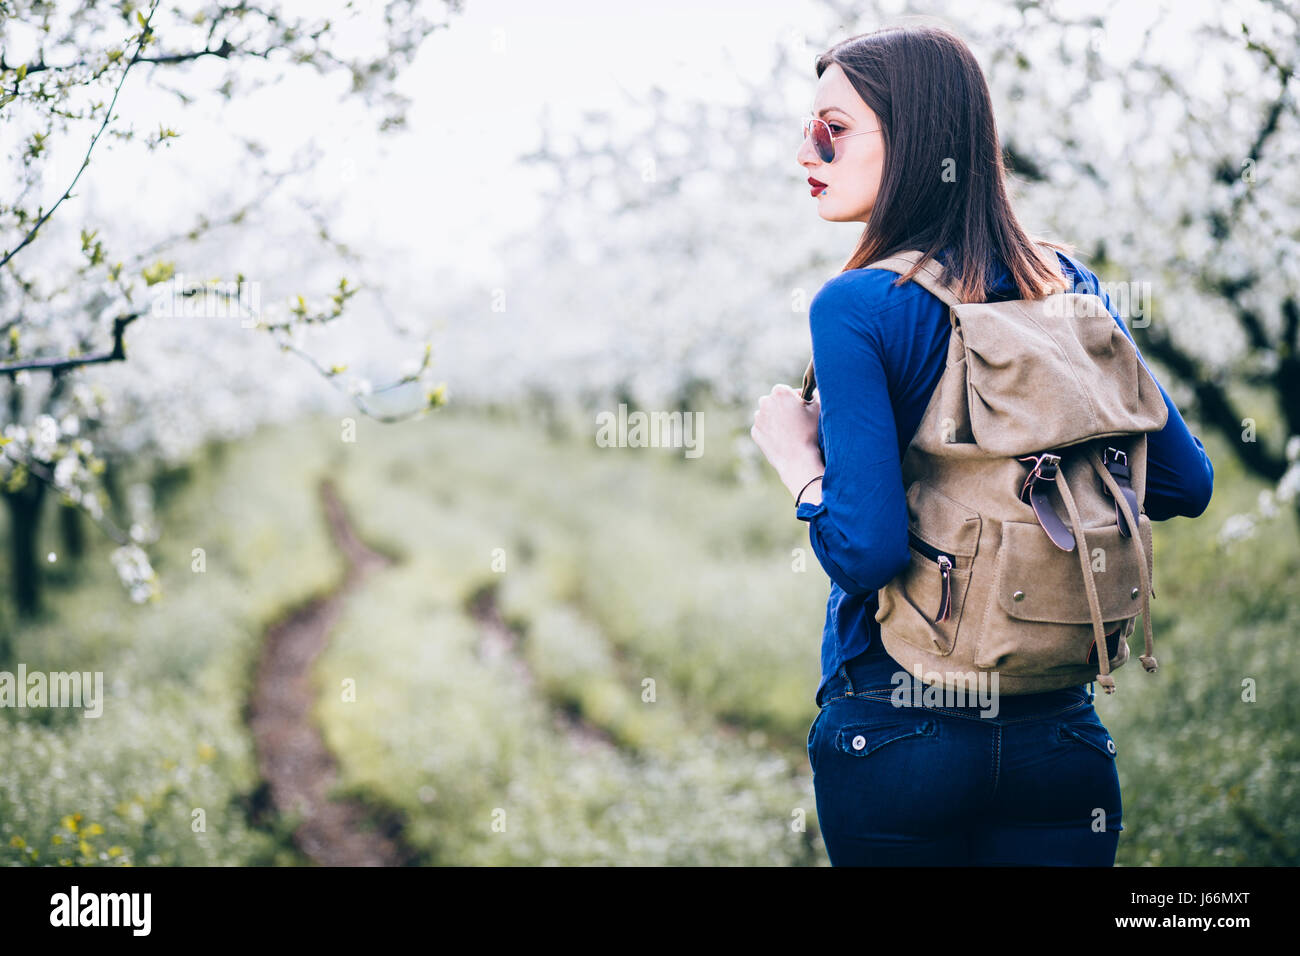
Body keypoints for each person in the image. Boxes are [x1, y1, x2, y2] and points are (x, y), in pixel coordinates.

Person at [749, 23, 1215, 866]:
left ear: (921, 139)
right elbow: (1186, 482)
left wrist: (800, 467)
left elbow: (866, 551)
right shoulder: (1064, 285)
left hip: (897, 730)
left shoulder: (855, 306)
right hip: (1061, 739)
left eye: (835, 128)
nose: (805, 150)